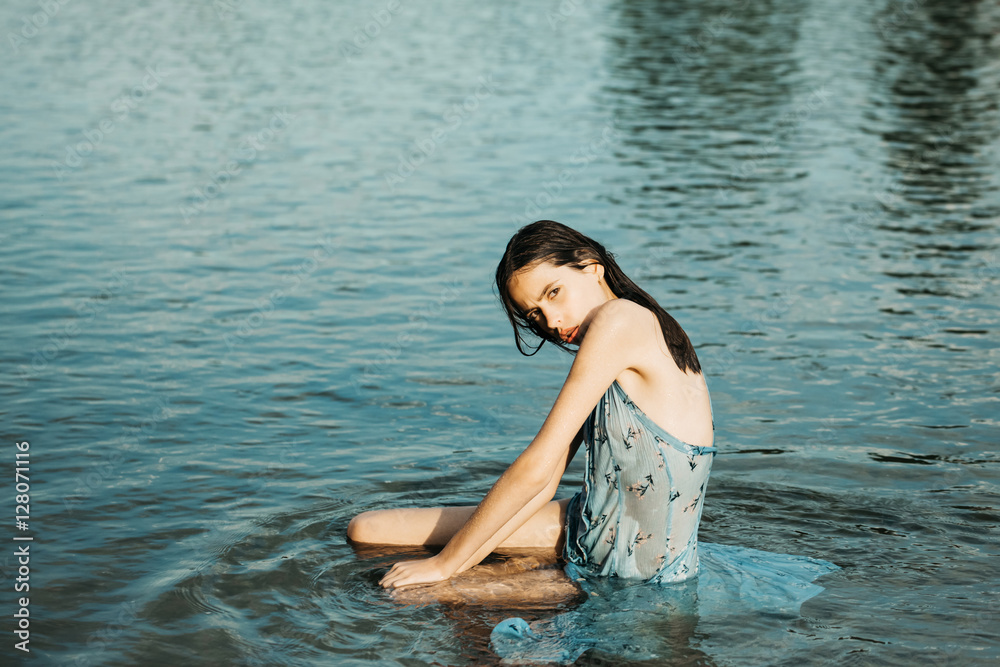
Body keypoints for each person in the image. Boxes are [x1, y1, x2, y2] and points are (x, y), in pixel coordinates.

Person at [347, 219, 718, 589]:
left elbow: (537, 467)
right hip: (587, 525)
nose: (552, 322)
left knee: (415, 591)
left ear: (592, 267)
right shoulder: (630, 329)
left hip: (632, 568)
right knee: (366, 529)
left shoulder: (621, 321)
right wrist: (455, 559)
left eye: (554, 293)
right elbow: (547, 476)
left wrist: (445, 565)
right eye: (534, 314)